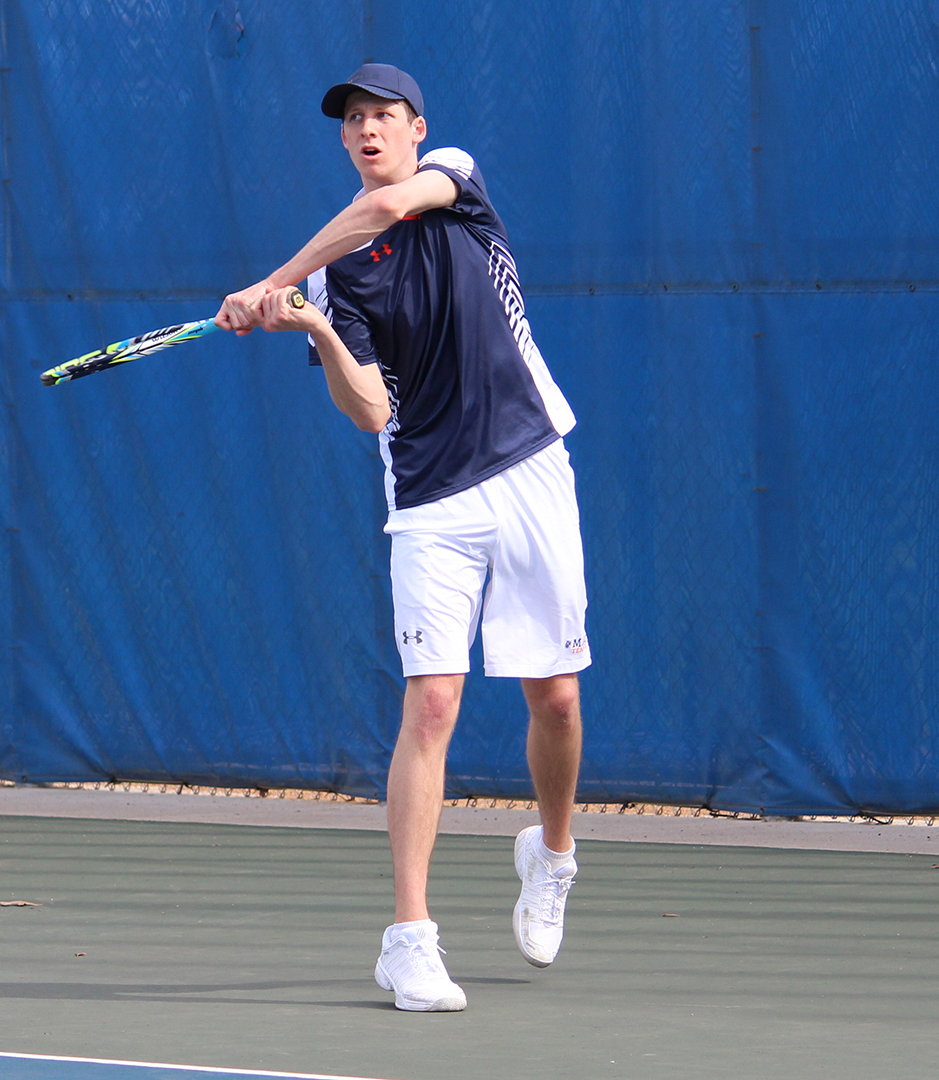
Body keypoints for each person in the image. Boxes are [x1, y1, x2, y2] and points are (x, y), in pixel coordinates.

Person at [213, 64, 589, 1013]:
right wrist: (316, 325)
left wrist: (271, 281)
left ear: (418, 129)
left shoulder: (455, 182)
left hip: (530, 465)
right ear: (344, 142)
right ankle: (408, 938)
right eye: (355, 123)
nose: (370, 131)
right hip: (429, 499)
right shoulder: (343, 278)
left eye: (385, 116)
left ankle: (551, 854)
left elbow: (384, 214)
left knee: (554, 699)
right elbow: (371, 409)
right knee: (432, 705)